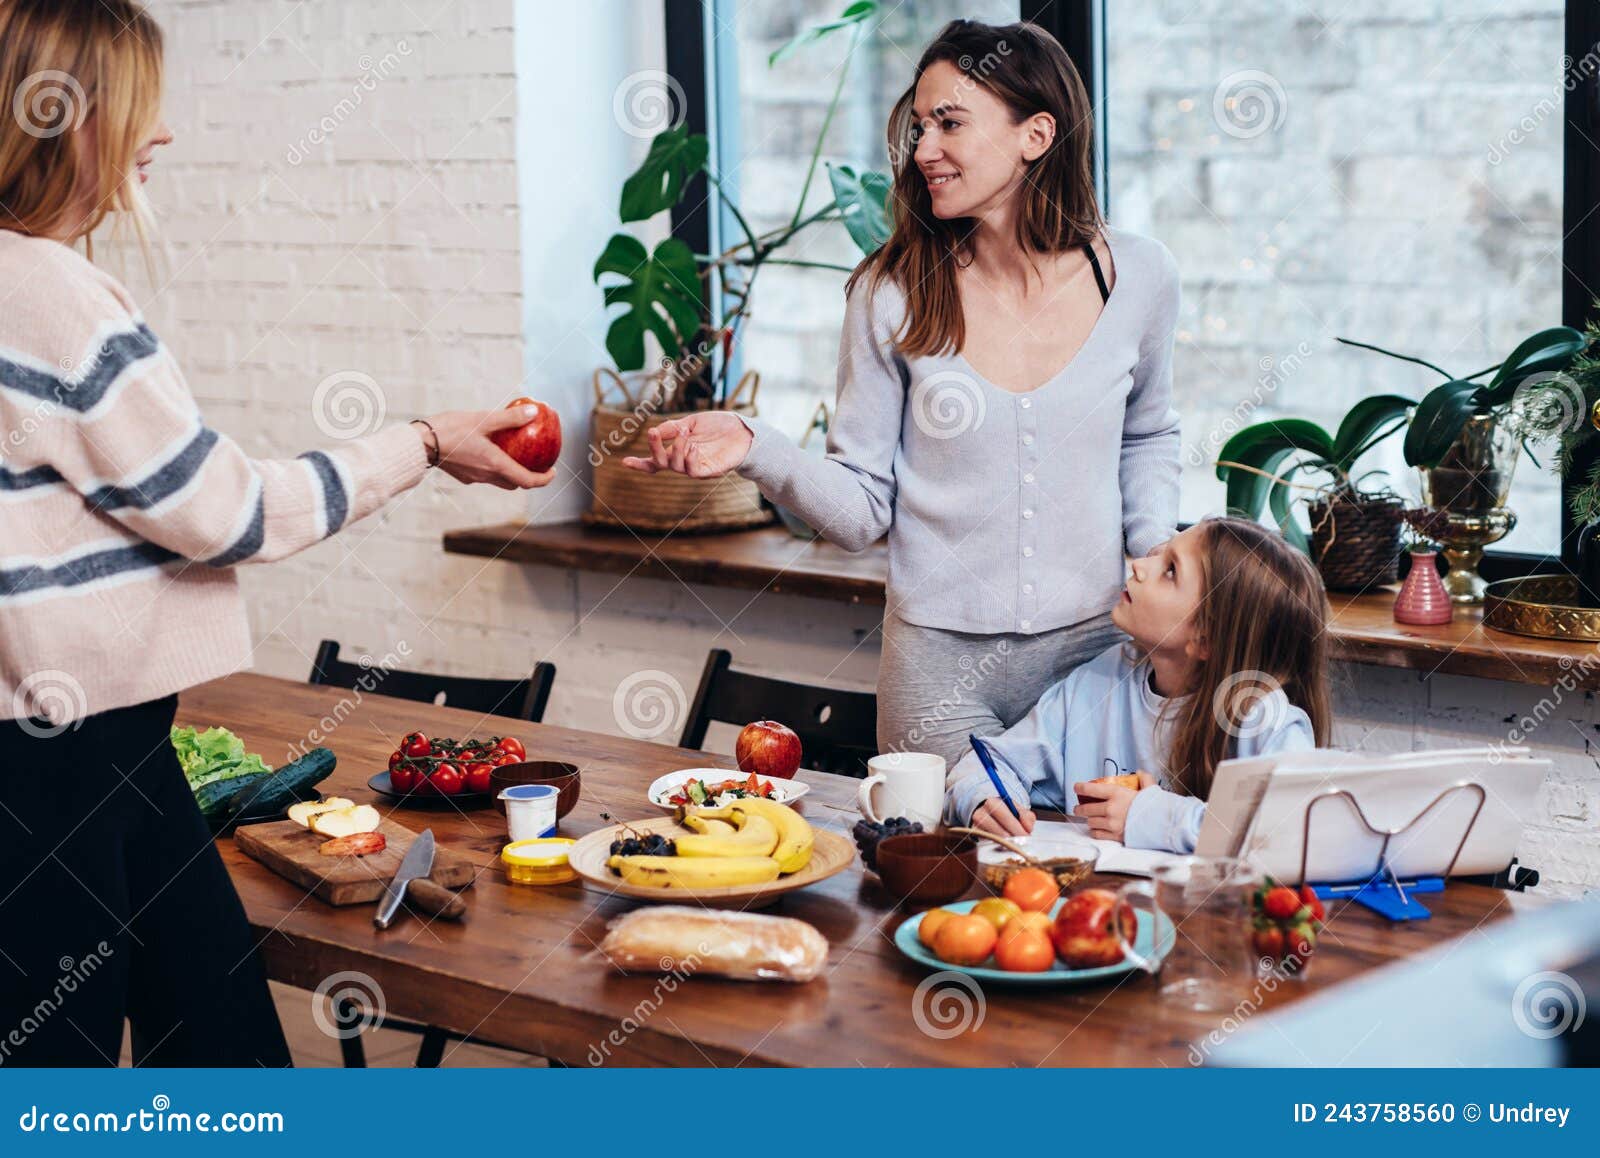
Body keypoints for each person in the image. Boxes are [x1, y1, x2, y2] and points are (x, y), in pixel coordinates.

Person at [0, 0, 552, 1066]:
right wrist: (425, 442)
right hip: (68, 762)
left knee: (220, 1035)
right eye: (142, 109)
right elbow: (229, 513)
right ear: (72, 118)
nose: (160, 135)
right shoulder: (53, 296)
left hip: (100, 749)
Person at [624, 19, 1181, 766]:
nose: (923, 150)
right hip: (939, 676)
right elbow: (860, 511)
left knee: (1092, 872)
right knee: (934, 876)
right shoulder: (891, 292)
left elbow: (1148, 435)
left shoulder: (1138, 277)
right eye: (919, 126)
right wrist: (761, 449)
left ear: (1036, 135)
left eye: (950, 123)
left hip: (1098, 661)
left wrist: (1159, 571)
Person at [944, 518, 1332, 854]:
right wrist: (984, 798)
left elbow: (1291, 833)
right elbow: (991, 762)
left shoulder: (1264, 717)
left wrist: (1145, 816)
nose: (1140, 566)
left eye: (1170, 570)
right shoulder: (1100, 679)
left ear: (1206, 639)